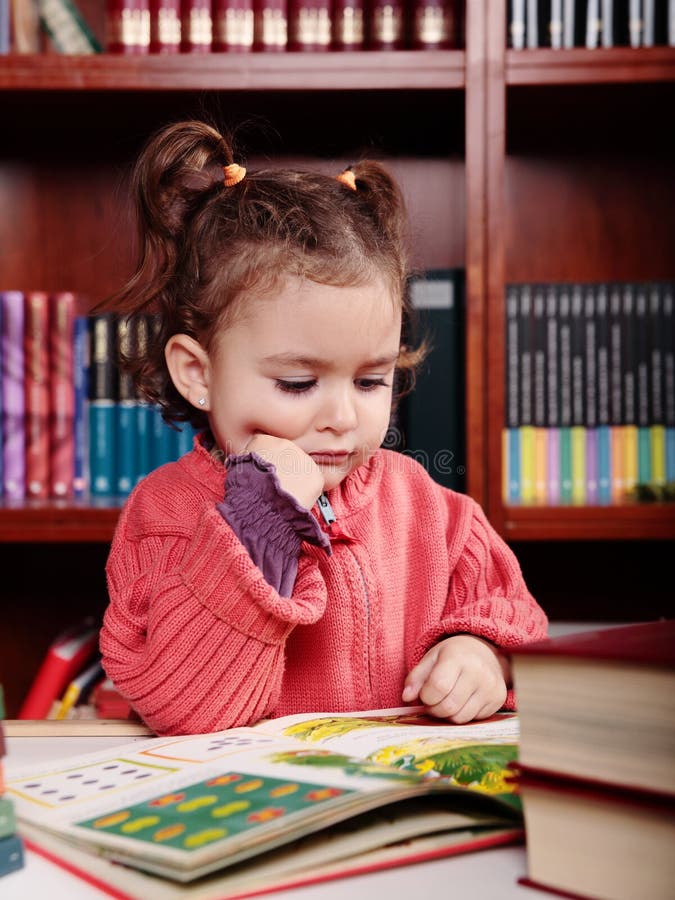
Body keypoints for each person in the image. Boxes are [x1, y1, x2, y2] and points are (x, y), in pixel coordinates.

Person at [100, 119, 548, 736]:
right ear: (197, 373)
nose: (341, 418)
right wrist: (260, 522)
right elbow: (187, 710)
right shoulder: (164, 516)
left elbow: (506, 610)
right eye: (297, 384)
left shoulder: (424, 504)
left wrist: (480, 652)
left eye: (370, 382)